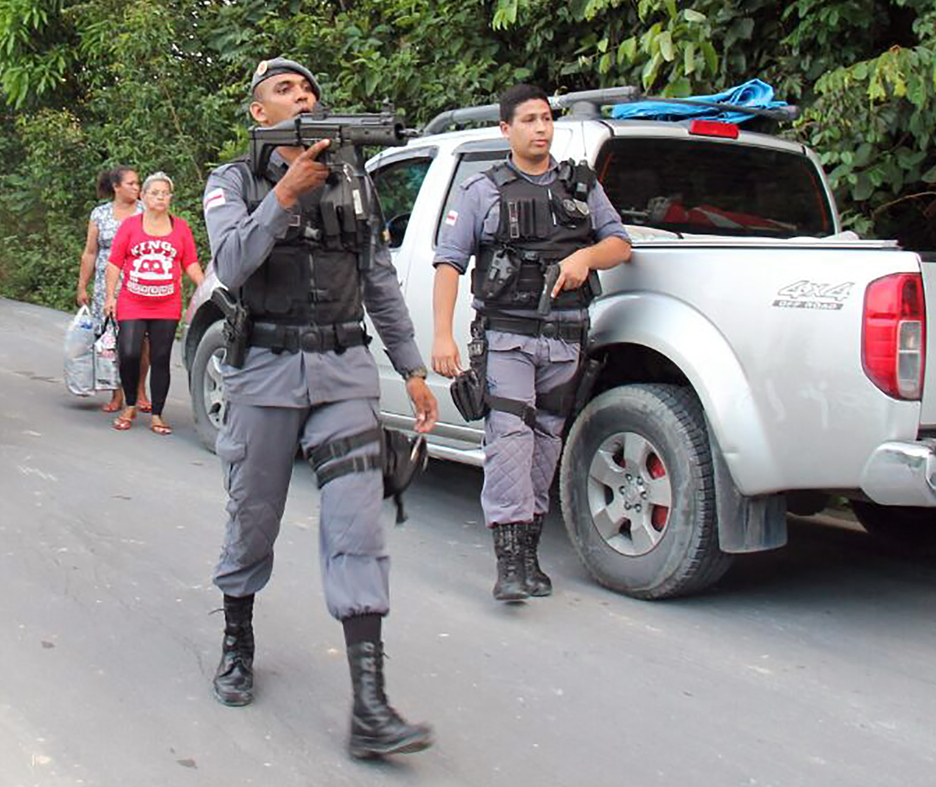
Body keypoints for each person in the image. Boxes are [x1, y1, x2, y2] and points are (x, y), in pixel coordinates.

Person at [202, 57, 437, 760]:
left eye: (308, 87)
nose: (302, 95)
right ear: (258, 114)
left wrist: (413, 369)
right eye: (284, 89)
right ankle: (238, 638)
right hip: (263, 372)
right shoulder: (233, 181)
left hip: (342, 373)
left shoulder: (353, 181)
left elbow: (379, 282)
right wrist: (283, 199)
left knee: (357, 527)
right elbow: (230, 265)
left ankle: (370, 705)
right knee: (253, 518)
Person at [429, 84, 632, 601]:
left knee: (546, 446)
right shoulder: (483, 190)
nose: (541, 128)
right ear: (506, 130)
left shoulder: (579, 186)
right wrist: (441, 336)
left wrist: (586, 258)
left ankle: (530, 554)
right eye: (528, 120)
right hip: (508, 337)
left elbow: (618, 242)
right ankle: (509, 565)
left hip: (566, 338)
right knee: (510, 444)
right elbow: (449, 262)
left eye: (546, 119)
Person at [104, 172, 203, 435]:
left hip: (166, 304)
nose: (160, 197)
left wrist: (204, 289)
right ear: (143, 196)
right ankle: (130, 404)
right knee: (129, 353)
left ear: (170, 197)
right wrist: (109, 297)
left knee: (160, 358)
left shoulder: (180, 227)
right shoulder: (130, 226)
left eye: (165, 193)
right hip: (132, 301)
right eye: (155, 193)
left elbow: (190, 262)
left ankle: (157, 414)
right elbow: (114, 262)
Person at [77, 166, 149, 412]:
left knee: (141, 341)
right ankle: (116, 393)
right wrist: (81, 286)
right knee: (111, 341)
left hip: (138, 281)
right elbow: (90, 252)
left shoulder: (145, 211)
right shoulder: (100, 214)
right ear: (116, 187)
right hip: (105, 285)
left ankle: (140, 390)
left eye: (138, 183)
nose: (136, 188)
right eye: (130, 183)